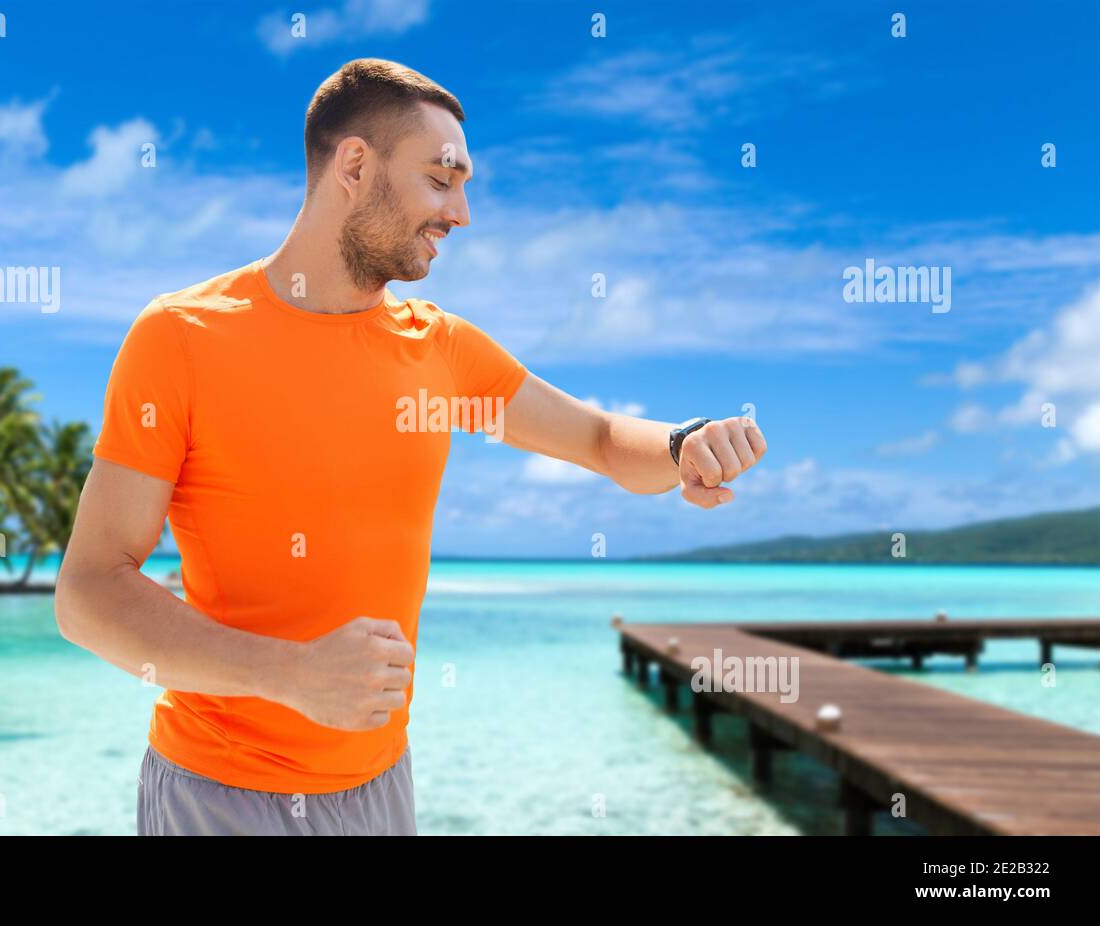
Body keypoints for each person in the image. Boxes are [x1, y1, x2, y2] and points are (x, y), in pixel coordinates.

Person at [53, 58, 767, 836]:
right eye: (441, 179)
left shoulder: (441, 351)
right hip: (219, 796)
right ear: (355, 165)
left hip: (382, 788)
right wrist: (288, 675)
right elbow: (89, 592)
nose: (461, 212)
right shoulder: (181, 338)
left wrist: (681, 444)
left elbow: (598, 438)